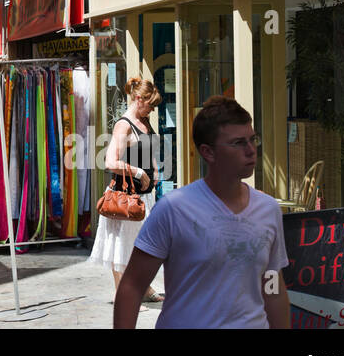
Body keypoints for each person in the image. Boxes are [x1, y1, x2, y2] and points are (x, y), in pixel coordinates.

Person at [114, 97, 290, 329]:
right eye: (238, 143)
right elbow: (132, 286)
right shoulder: (174, 209)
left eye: (252, 140)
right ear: (208, 152)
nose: (250, 151)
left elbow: (272, 286)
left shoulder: (268, 209)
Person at [88, 77, 165, 304]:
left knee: (142, 245)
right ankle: (123, 293)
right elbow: (111, 162)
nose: (152, 109)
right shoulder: (124, 125)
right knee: (121, 245)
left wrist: (154, 167)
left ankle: (144, 287)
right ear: (138, 99)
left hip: (145, 196)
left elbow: (147, 144)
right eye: (150, 104)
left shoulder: (144, 121)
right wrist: (140, 173)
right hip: (126, 197)